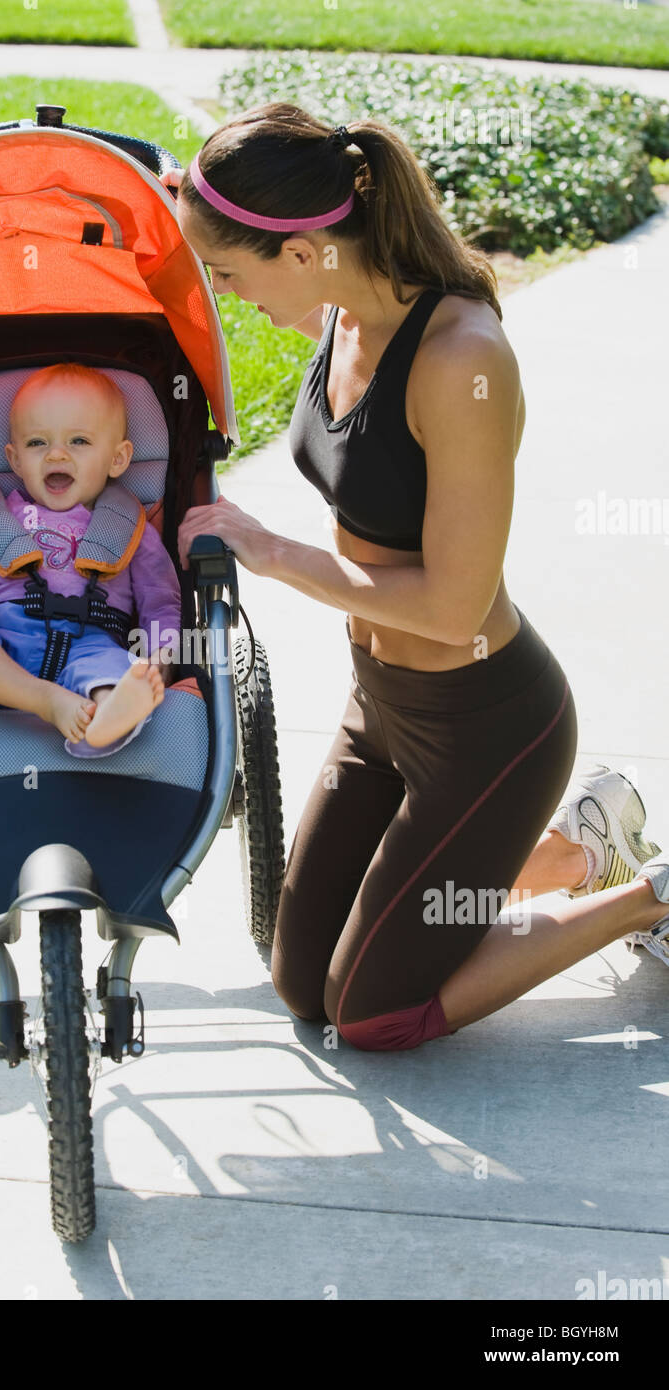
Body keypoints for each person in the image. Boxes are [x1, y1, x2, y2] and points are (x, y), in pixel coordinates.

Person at [163, 102, 669, 1050]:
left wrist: (276, 554)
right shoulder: (344, 311)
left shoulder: (461, 361)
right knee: (301, 981)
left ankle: (645, 899)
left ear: (306, 248)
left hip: (487, 728)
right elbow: (251, 264)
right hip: (380, 710)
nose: (223, 294)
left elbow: (452, 607)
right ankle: (576, 850)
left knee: (371, 1014)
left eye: (227, 273)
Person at [0, 362, 181, 758]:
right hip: (0, 645)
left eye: (79, 442)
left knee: (121, 677)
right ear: (15, 459)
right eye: (37, 443)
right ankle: (45, 699)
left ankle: (105, 718)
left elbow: (160, 600)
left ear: (118, 459)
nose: (56, 454)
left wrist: (161, 657)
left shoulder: (127, 526)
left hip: (89, 645)